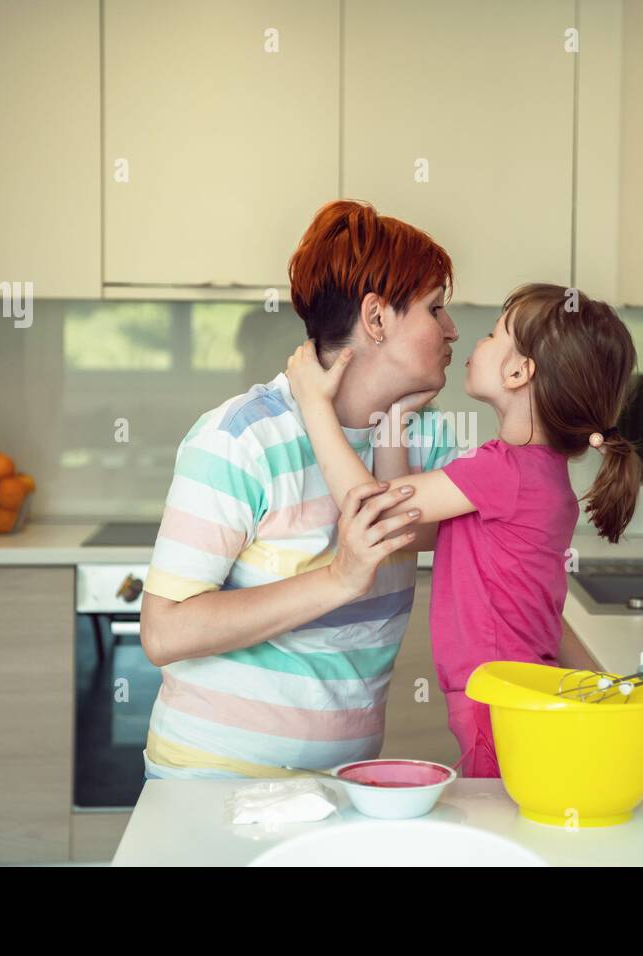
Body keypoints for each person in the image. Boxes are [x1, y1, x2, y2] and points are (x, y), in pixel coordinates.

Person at [138, 200, 461, 779]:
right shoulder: (243, 437)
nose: (452, 329)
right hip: (213, 782)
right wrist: (338, 578)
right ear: (377, 318)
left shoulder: (427, 438)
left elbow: (430, 536)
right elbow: (165, 631)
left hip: (343, 784)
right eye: (436, 309)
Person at [286, 283, 643, 777]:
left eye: (494, 334)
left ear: (519, 372)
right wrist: (396, 421)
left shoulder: (501, 471)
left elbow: (374, 512)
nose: (472, 340)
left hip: (498, 701)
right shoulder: (539, 473)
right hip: (523, 694)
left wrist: (314, 406)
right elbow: (404, 516)